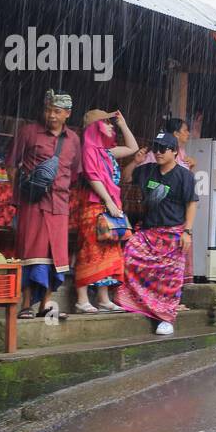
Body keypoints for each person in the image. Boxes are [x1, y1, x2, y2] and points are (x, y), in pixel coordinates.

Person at [8, 89, 82, 320]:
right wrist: (22, 194)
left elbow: (74, 173)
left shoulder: (73, 140)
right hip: (33, 203)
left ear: (67, 114)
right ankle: (26, 304)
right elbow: (12, 165)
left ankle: (46, 304)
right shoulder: (28, 132)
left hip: (59, 204)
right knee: (31, 253)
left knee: (56, 256)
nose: (51, 115)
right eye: (48, 110)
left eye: (57, 111)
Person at [116, 132, 198, 335]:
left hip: (173, 233)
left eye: (163, 149)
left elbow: (192, 204)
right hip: (148, 232)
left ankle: (166, 317)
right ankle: (140, 303)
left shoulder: (184, 176)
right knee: (130, 253)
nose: (158, 153)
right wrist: (135, 162)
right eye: (156, 148)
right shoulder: (147, 170)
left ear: (174, 152)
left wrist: (187, 231)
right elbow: (125, 177)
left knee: (169, 279)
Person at [72, 109, 138, 313]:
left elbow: (132, 147)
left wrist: (123, 124)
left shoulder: (106, 152)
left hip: (110, 208)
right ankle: (82, 299)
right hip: (95, 206)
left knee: (108, 251)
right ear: (95, 126)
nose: (111, 126)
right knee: (90, 250)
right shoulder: (88, 149)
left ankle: (103, 297)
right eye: (107, 123)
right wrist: (108, 200)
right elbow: (93, 176)